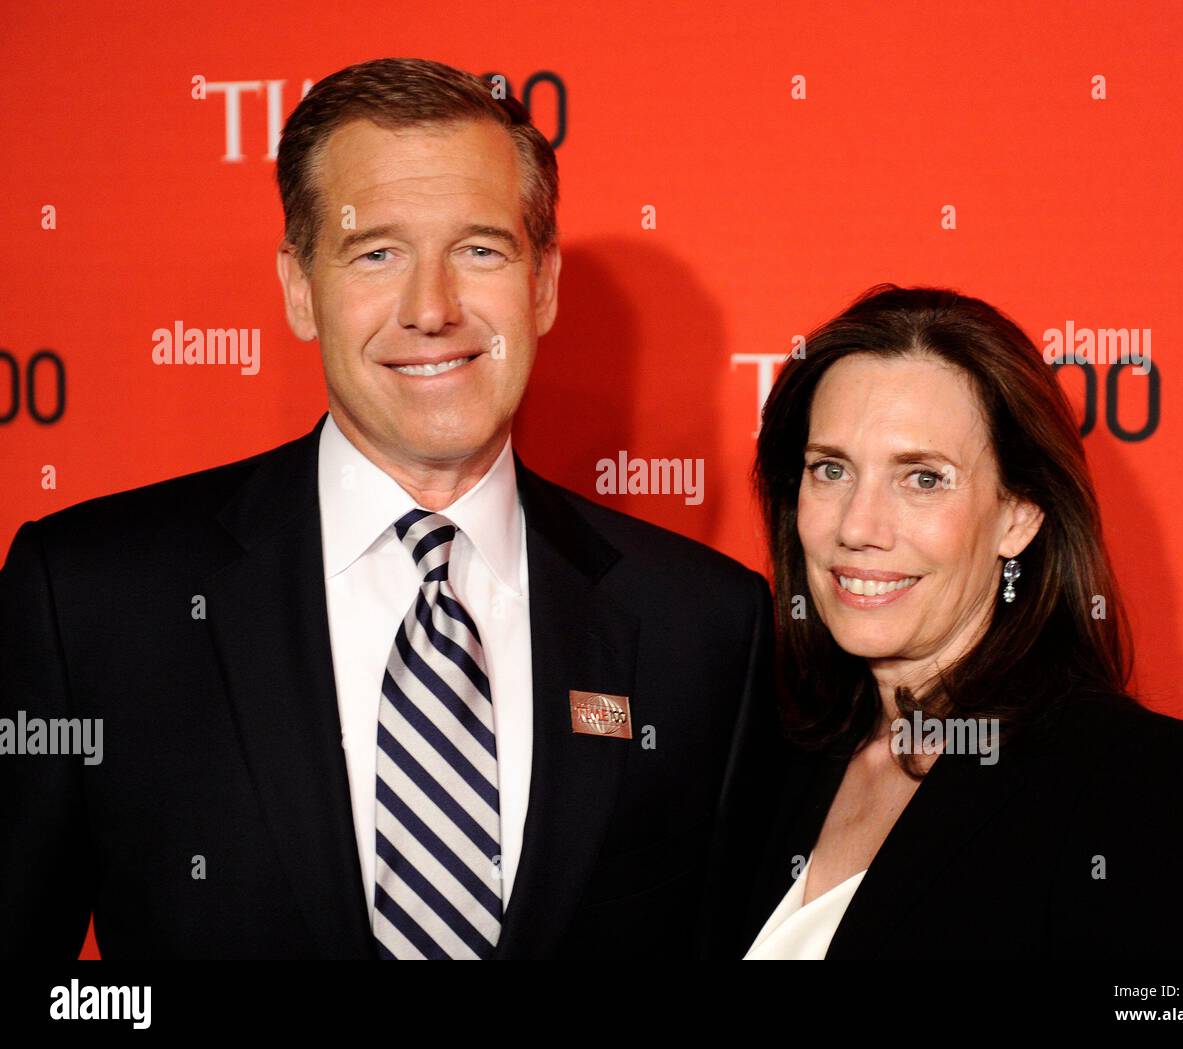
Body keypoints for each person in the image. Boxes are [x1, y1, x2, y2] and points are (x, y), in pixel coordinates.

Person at [0, 57, 783, 960]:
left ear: (543, 285)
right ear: (300, 288)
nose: (432, 308)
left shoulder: (705, 628)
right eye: (376, 252)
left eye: (480, 250)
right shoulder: (95, 600)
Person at [741, 284, 1183, 959]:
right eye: (830, 469)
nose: (857, 527)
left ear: (1019, 513)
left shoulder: (1143, 787)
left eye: (922, 478)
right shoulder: (767, 762)